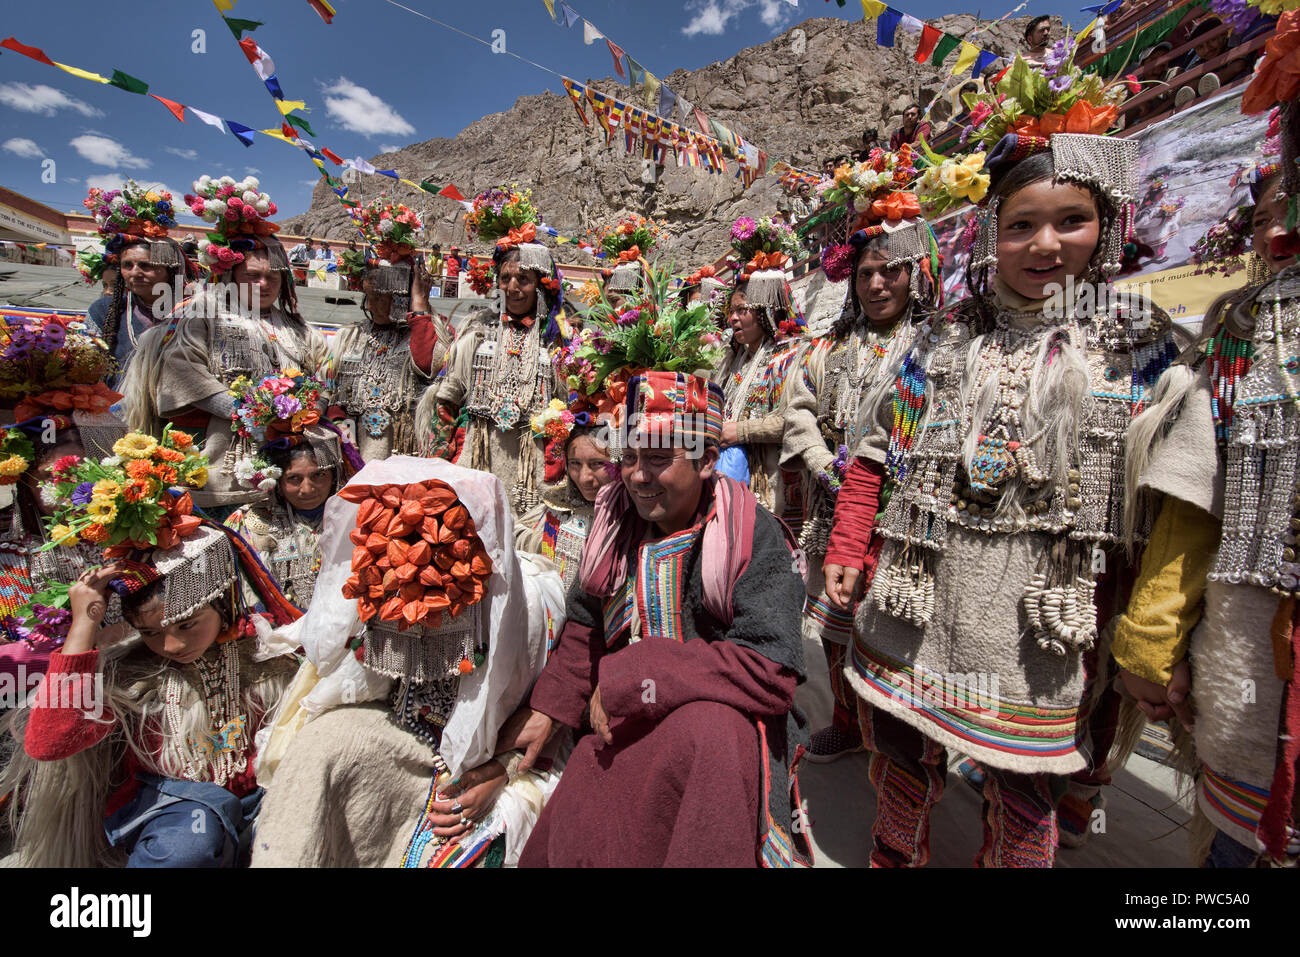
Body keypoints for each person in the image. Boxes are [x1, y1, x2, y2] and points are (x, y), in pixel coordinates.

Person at [825, 67, 1183, 866]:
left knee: (1024, 790)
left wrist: (1150, 630)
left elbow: (1173, 505)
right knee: (900, 761)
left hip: (1039, 622)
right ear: (991, 233)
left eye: (1071, 220)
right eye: (1021, 225)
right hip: (917, 598)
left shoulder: (1141, 344)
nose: (1045, 245)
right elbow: (877, 453)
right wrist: (850, 547)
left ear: (1108, 225)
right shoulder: (945, 336)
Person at [499, 365, 812, 867]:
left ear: (708, 460)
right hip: (622, 719)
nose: (638, 476)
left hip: (710, 732)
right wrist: (550, 711)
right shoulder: (618, 522)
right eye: (630, 458)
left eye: (660, 459)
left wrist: (639, 674)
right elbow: (585, 624)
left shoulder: (751, 534)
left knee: (712, 735)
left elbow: (770, 671)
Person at [1114, 109, 1300, 866]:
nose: (1281, 227)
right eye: (1267, 215)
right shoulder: (1248, 332)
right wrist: (1153, 643)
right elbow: (1190, 511)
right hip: (1256, 668)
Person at [248, 457, 567, 867]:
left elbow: (550, 716)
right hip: (401, 733)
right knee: (318, 749)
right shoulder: (379, 587)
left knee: (487, 838)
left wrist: (502, 770)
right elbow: (347, 672)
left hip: (495, 760)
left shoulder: (529, 608)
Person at [2, 435, 302, 867]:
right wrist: (85, 620)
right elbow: (51, 742)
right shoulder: (131, 679)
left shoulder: (272, 657)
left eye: (187, 625)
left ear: (223, 602)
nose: (172, 646)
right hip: (171, 809)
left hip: (260, 800)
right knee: (188, 847)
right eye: (150, 633)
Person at [782, 203, 939, 763]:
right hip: (834, 510)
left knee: (894, 631)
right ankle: (848, 723)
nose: (876, 284)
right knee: (832, 625)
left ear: (915, 274)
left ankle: (904, 745)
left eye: (889, 271)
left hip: (904, 518)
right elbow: (797, 411)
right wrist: (827, 465)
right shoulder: (829, 347)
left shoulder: (937, 345)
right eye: (865, 273)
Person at [146, 174, 330, 518]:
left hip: (293, 464)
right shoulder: (202, 313)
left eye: (272, 277)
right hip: (224, 463)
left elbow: (326, 374)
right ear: (231, 276)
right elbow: (181, 370)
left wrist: (304, 409)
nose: (264, 284)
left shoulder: (298, 327)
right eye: (252, 276)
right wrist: (245, 410)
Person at [419, 192, 564, 516]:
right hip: (476, 461)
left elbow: (565, 416)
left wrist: (554, 473)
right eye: (505, 278)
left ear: (540, 286)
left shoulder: (555, 343)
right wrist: (441, 467)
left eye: (523, 279)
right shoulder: (476, 333)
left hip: (532, 471)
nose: (512, 287)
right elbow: (448, 401)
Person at [326, 200, 451, 461]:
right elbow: (332, 391)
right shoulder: (348, 337)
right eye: (375, 293)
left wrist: (419, 309)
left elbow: (430, 364)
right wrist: (342, 428)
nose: (384, 301)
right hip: (355, 448)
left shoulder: (428, 329)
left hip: (404, 451)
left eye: (393, 294)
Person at [714, 217, 806, 523]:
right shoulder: (734, 359)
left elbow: (794, 421)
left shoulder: (791, 355)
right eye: (732, 312)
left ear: (766, 310)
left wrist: (740, 431)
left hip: (768, 477)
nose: (734, 320)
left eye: (743, 311)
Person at [224, 413, 358, 608]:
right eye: (294, 479)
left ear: (334, 475)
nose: (308, 489)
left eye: (318, 475)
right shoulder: (249, 524)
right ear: (277, 481)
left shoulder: (356, 518)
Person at [80, 183, 188, 387]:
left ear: (169, 269)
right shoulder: (103, 311)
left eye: (146, 265)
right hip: (114, 411)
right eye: (127, 265)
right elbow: (84, 371)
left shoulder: (191, 312)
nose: (135, 272)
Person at [516, 423, 614, 591]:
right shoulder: (553, 511)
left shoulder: (633, 517)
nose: (584, 478)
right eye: (575, 463)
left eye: (597, 463)